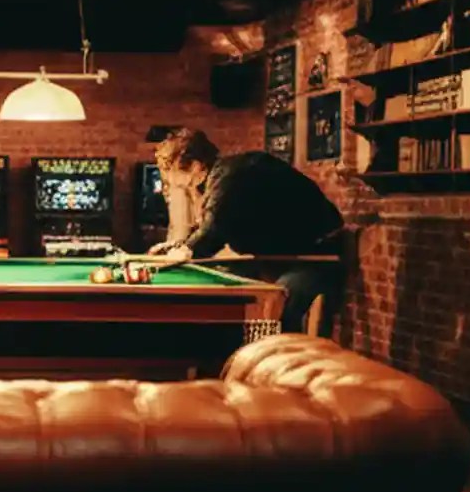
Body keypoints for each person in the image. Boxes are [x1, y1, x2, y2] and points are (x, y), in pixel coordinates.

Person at [147, 127, 344, 336]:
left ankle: (269, 364)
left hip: (316, 256)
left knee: (272, 315)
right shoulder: (223, 177)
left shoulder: (231, 176)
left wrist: (180, 252)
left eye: (175, 176)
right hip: (280, 256)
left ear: (196, 165)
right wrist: (179, 246)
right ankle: (226, 354)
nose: (176, 184)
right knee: (232, 293)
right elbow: (209, 225)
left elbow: (212, 230)